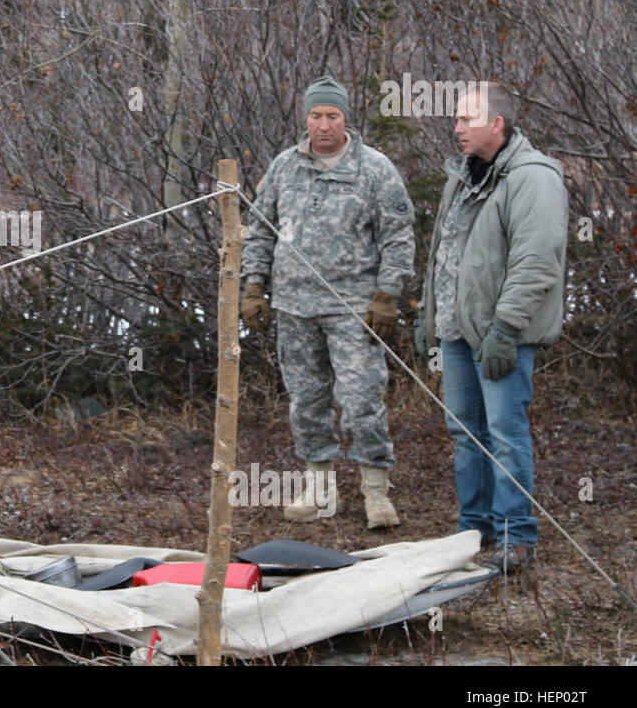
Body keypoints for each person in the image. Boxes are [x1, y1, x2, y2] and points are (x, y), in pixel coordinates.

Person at [241, 75, 415, 527]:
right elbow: (259, 230)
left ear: (345, 118)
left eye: (332, 116)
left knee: (361, 399)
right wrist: (254, 286)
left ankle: (375, 488)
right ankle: (319, 485)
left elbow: (398, 237)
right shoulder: (285, 167)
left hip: (354, 307)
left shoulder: (374, 169)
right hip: (294, 307)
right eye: (316, 115)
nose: (323, 125)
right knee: (306, 400)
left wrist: (387, 296)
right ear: (306, 119)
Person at [415, 84, 567, 573]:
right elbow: (444, 251)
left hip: (502, 335)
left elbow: (536, 260)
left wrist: (505, 328)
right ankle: (473, 530)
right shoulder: (462, 175)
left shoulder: (533, 177)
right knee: (465, 433)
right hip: (457, 333)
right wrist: (429, 315)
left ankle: (515, 536)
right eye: (457, 119)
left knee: (505, 433)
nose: (456, 128)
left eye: (467, 119)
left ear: (496, 123)